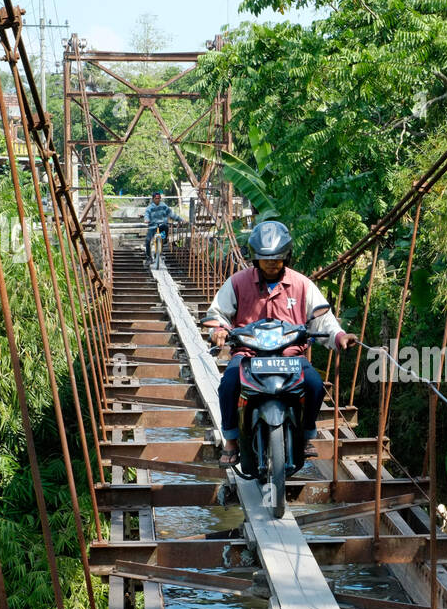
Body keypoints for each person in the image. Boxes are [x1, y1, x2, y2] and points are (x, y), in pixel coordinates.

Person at [202, 221, 358, 467]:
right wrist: (220, 330)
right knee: (228, 384)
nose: (272, 263)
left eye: (277, 258)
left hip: (290, 357)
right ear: (256, 258)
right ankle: (231, 439)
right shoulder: (238, 282)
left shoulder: (302, 284)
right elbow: (217, 312)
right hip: (248, 354)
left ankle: (307, 434)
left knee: (316, 385)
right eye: (266, 258)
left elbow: (323, 319)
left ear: (286, 256)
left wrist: (340, 336)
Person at [143, 191, 183, 266]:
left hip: (162, 225)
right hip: (153, 226)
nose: (157, 200)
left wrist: (180, 219)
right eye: (156, 198)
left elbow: (171, 214)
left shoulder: (164, 206)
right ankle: (149, 258)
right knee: (148, 240)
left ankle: (163, 241)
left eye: (159, 198)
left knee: (165, 229)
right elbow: (146, 214)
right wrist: (146, 219)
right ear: (153, 199)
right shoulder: (150, 207)